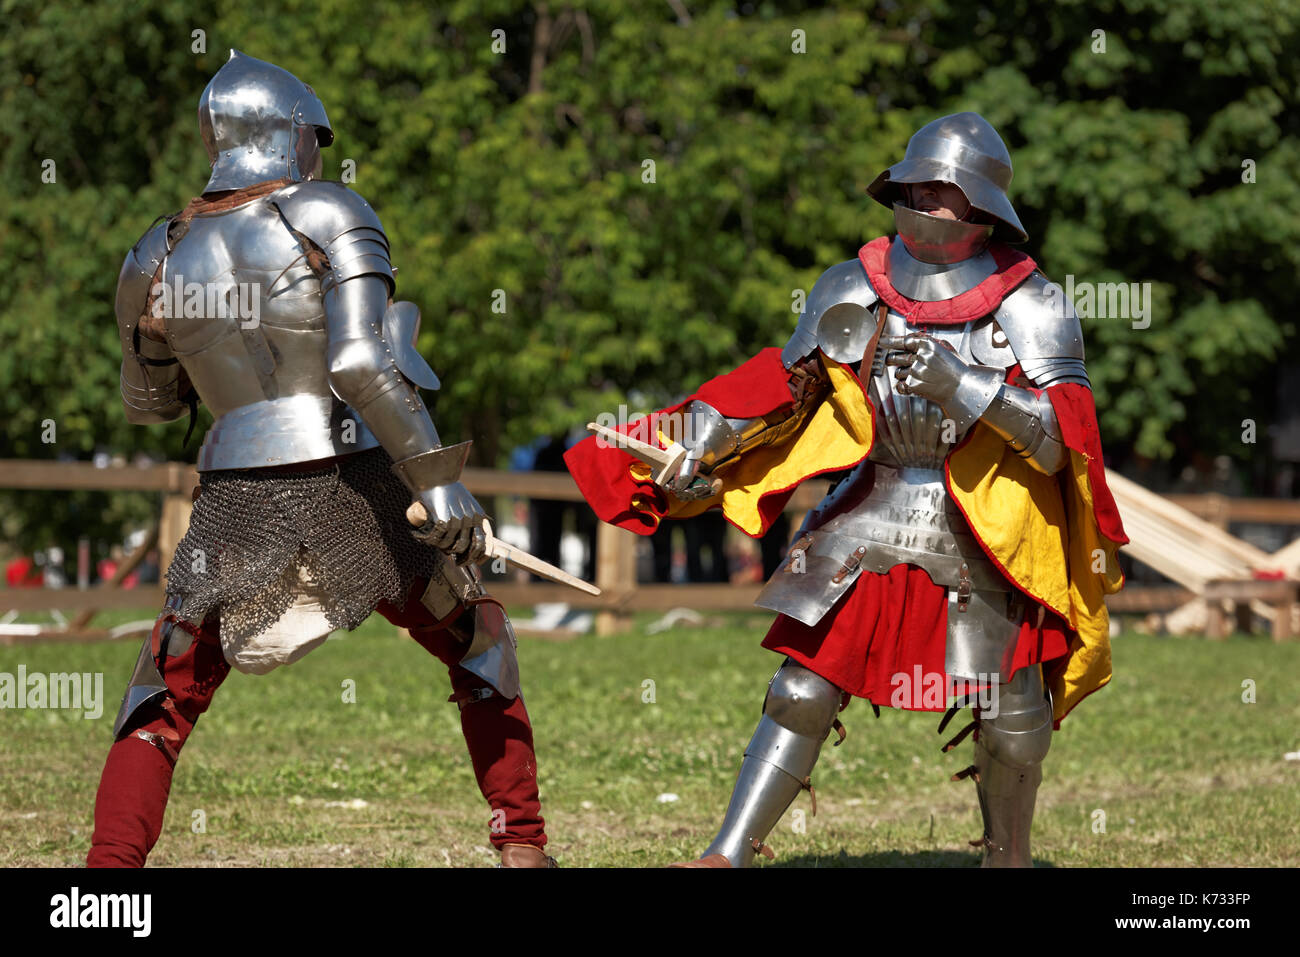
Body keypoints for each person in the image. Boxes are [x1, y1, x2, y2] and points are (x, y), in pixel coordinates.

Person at [566, 112, 1128, 867]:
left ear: (982, 206)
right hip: (869, 508)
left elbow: (1065, 440)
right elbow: (781, 392)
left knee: (1013, 711)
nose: (923, 197)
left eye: (942, 187)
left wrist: (965, 385)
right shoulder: (852, 284)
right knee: (801, 687)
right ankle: (726, 853)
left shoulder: (1033, 304)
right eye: (914, 183)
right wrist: (696, 445)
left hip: (984, 522)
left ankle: (1008, 858)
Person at [91, 50, 553, 868]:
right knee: (479, 643)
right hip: (353, 477)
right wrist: (440, 486)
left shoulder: (156, 254)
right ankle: (522, 846)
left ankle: (107, 881)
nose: (316, 152)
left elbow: (151, 403)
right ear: (287, 134)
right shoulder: (329, 213)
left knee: (158, 697)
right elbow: (363, 366)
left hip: (235, 483)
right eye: (311, 136)